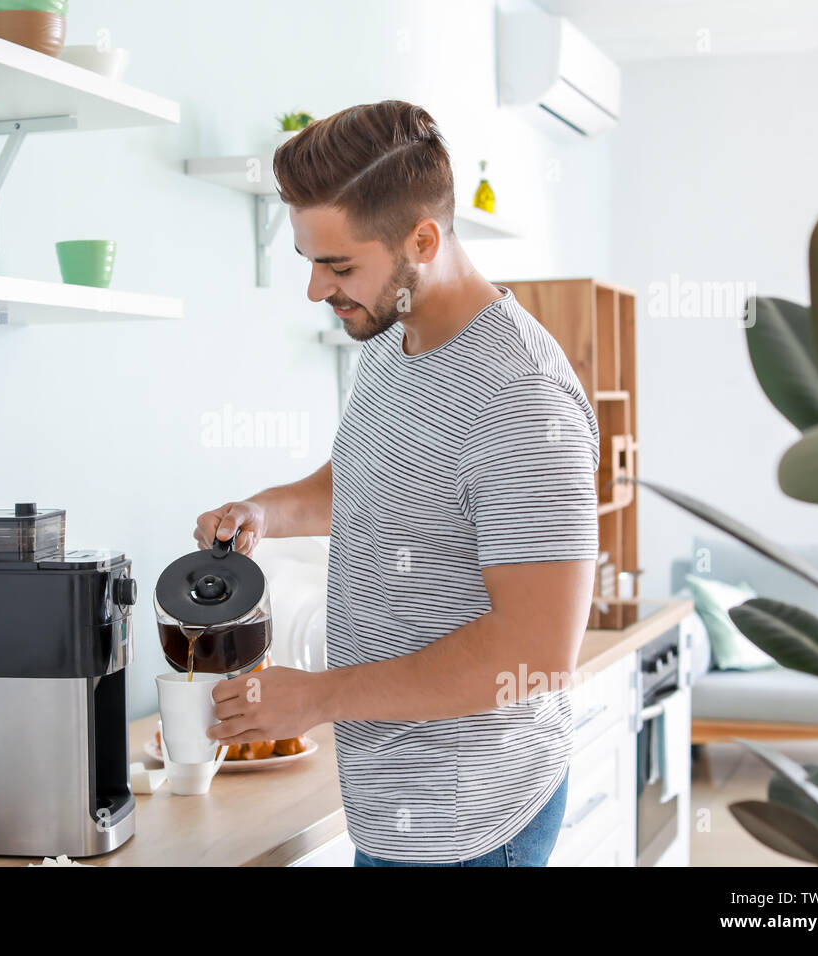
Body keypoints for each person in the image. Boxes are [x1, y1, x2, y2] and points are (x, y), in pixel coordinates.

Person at [193, 100, 599, 866]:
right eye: (310, 261)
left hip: (475, 821)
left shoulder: (520, 397)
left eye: (339, 265)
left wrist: (317, 697)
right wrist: (264, 512)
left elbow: (539, 652)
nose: (316, 289)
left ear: (423, 240)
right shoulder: (396, 332)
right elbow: (369, 482)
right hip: (396, 808)